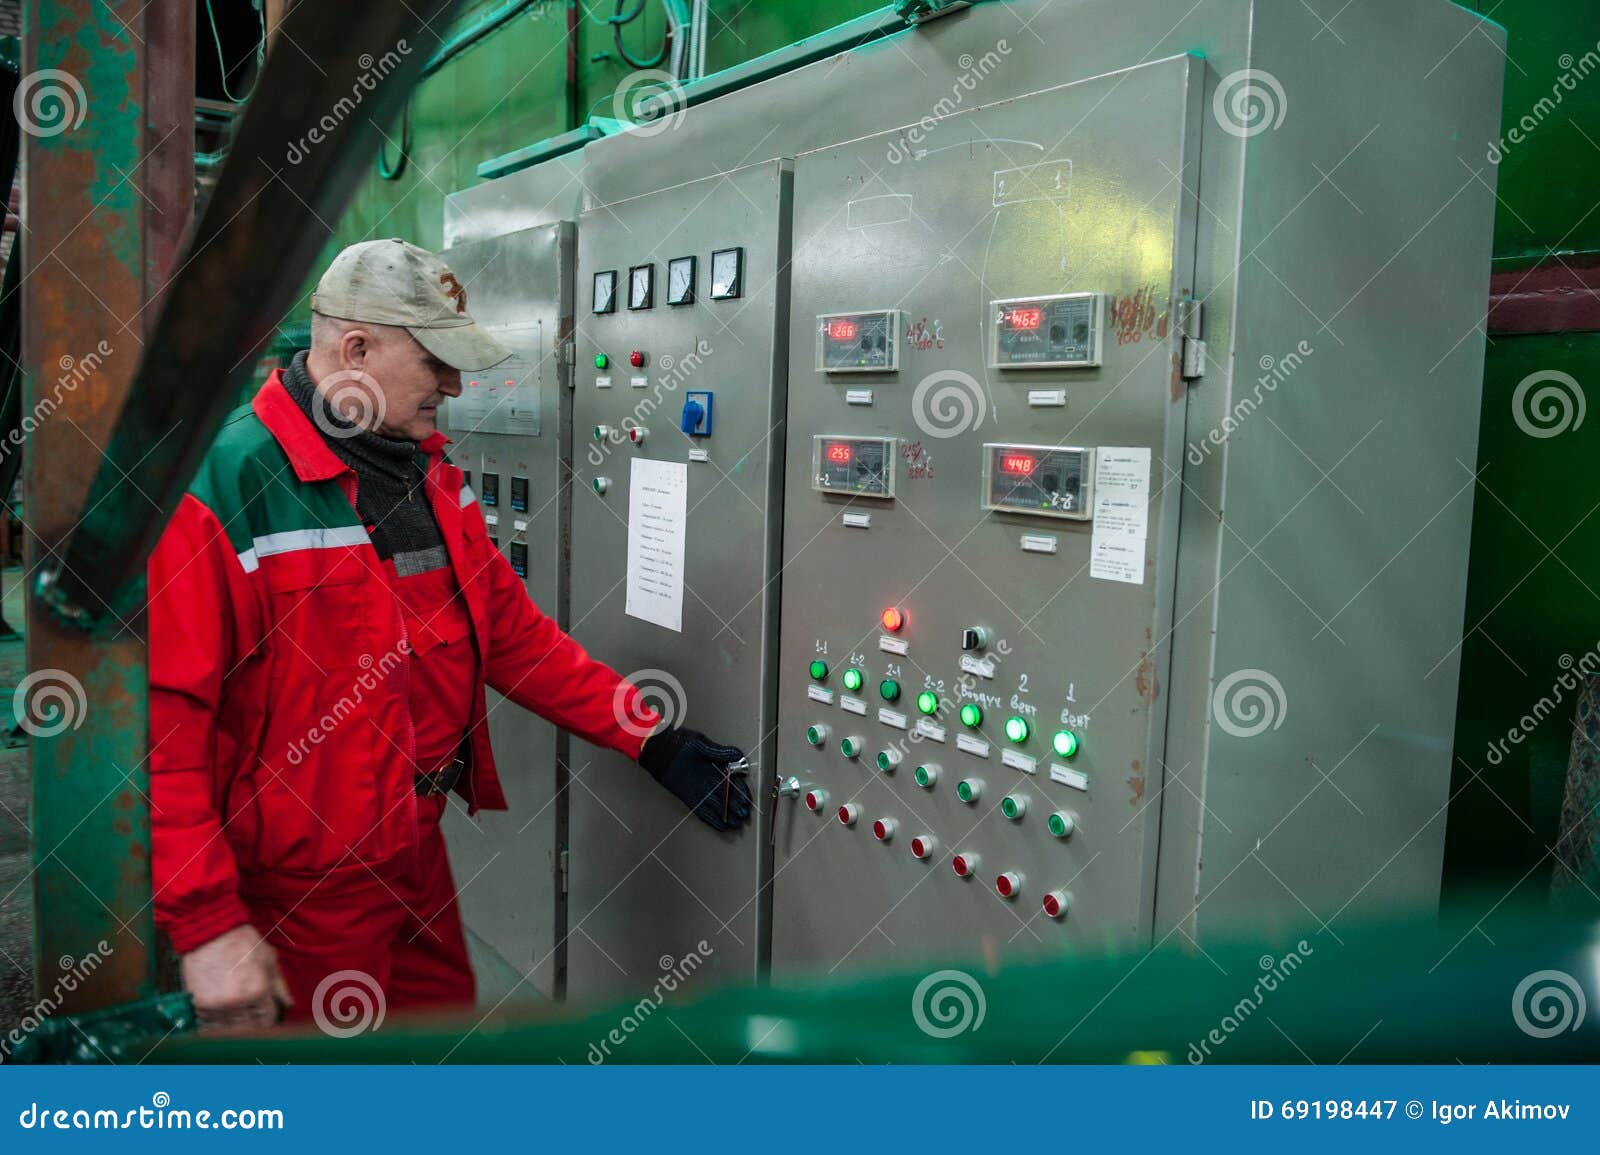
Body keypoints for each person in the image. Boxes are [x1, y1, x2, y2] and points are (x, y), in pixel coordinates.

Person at [148, 238, 752, 1031]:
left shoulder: (424, 473)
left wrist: (649, 737)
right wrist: (207, 925)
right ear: (356, 349)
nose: (458, 386)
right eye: (437, 360)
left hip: (418, 855)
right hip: (302, 891)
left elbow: (512, 638)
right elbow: (166, 722)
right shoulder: (225, 486)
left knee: (441, 1059)